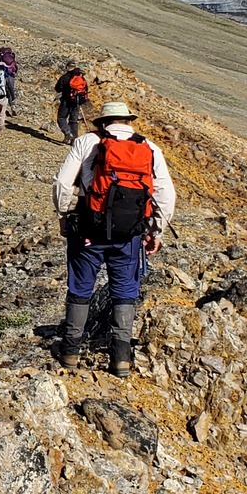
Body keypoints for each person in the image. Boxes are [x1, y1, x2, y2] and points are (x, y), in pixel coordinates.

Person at [52, 100, 176, 376]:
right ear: (129, 121)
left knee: (81, 287)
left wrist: (62, 216)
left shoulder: (87, 142)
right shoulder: (149, 148)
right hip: (129, 234)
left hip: (88, 229)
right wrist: (155, 231)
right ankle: (120, 358)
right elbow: (166, 195)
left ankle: (70, 352)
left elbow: (62, 183)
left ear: (102, 122)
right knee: (125, 291)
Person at [54, 64, 90, 142]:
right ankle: (74, 140)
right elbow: (86, 89)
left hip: (66, 101)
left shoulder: (65, 77)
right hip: (77, 101)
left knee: (61, 118)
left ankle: (68, 132)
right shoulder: (81, 77)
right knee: (73, 120)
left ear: (67, 67)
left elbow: (58, 88)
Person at [0, 46, 20, 116]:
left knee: (3, 91)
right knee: (11, 90)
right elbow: (16, 67)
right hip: (11, 75)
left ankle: (1, 108)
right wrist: (15, 73)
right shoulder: (12, 57)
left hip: (2, 76)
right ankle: (13, 106)